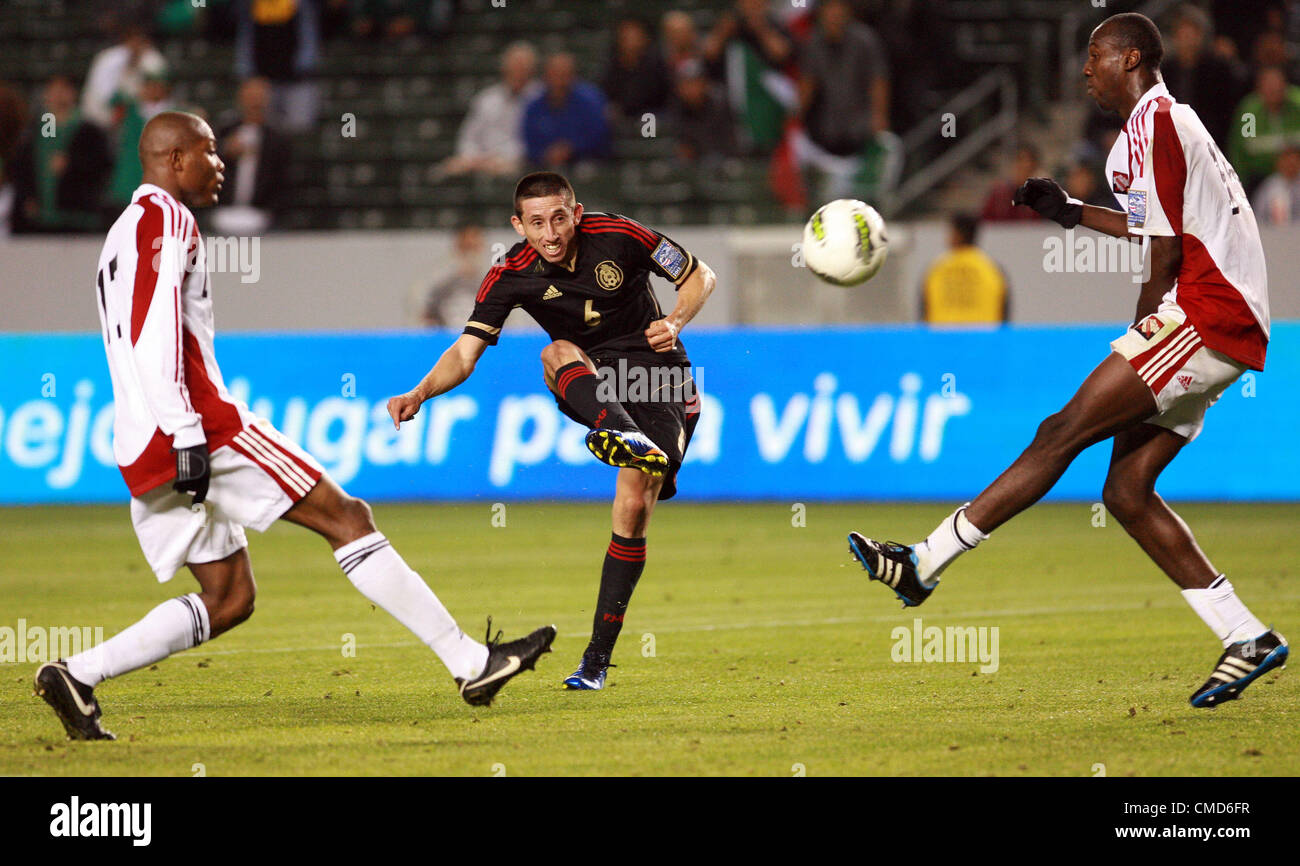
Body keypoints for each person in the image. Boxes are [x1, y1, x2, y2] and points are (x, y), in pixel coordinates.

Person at [34, 112, 553, 741]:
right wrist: (187, 431)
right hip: (198, 425)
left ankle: (77, 673)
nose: (220, 163)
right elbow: (154, 328)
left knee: (229, 598)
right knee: (348, 517)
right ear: (173, 160)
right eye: (209, 151)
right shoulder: (167, 217)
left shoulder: (121, 230)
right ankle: (471, 663)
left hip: (139, 440)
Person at [847, 13, 1287, 709]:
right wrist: (1075, 211)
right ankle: (1247, 636)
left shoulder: (1156, 121)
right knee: (1124, 492)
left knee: (1061, 431)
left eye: (1096, 56)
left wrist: (1142, 335)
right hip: (1225, 322)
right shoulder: (1154, 128)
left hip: (1205, 314)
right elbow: (1153, 224)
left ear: (1131, 57)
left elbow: (1165, 253)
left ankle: (924, 563)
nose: (1086, 70)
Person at [387, 172, 717, 691]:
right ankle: (620, 432)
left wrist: (675, 320)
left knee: (634, 507)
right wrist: (420, 392)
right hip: (592, 377)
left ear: (577, 213)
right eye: (536, 222)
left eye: (559, 218)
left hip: (657, 373)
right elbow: (465, 352)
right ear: (518, 224)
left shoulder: (620, 235)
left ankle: (596, 658)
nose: (551, 232)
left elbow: (700, 276)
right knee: (554, 352)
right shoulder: (509, 275)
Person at [438, 41, 541, 179]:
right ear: (504, 68)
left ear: (531, 70)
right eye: (514, 66)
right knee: (445, 170)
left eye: (522, 67)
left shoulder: (539, 99)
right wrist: (474, 158)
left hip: (517, 162)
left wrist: (499, 159)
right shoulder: (487, 98)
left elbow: (532, 142)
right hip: (480, 160)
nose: (517, 71)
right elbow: (468, 138)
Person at [523, 53, 610, 168]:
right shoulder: (534, 105)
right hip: (544, 164)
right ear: (546, 76)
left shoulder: (590, 101)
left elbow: (598, 136)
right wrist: (547, 153)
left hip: (585, 162)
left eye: (564, 74)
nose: (559, 80)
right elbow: (529, 140)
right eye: (554, 74)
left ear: (573, 76)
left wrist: (570, 149)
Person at [920, 213, 1008, 325]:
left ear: (958, 234)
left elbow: (924, 310)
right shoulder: (992, 269)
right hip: (982, 339)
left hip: (943, 338)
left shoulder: (937, 268)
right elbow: (1004, 313)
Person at [1228, 65, 1300, 195]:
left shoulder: (1298, 104)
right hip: (1260, 178)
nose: (1273, 90)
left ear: (1285, 86)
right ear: (1259, 89)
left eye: (1277, 85)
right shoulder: (1249, 113)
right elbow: (1241, 151)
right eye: (1268, 86)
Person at [980, 144, 1043, 222]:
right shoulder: (998, 196)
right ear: (1012, 165)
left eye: (1027, 166)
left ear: (1034, 168)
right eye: (1019, 163)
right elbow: (985, 223)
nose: (1023, 167)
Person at [1251, 145, 1300, 223]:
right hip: (1271, 232)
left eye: (1294, 162)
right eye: (1287, 162)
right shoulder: (1269, 186)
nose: (1290, 166)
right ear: (1279, 162)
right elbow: (1257, 214)